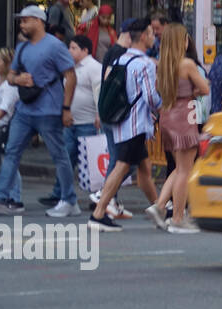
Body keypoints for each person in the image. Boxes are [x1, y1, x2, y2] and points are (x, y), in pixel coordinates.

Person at [0, 6, 79, 215]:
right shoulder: (23, 48)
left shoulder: (55, 46)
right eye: (21, 21)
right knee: (12, 152)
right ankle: (1, 197)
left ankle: (69, 200)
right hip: (25, 110)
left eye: (26, 20)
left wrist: (66, 108)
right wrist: (18, 79)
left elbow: (71, 76)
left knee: (58, 154)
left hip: (49, 110)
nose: (22, 24)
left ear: (38, 21)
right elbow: (12, 75)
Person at [89, 18, 162, 231]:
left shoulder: (121, 59)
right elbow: (150, 98)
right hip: (136, 124)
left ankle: (159, 209)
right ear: (145, 37)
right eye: (151, 33)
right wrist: (164, 104)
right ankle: (99, 213)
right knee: (121, 167)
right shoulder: (145, 64)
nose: (153, 37)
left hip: (121, 121)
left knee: (144, 168)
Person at [151, 23, 210, 233]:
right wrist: (193, 90)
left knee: (178, 168)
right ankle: (177, 218)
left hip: (167, 116)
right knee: (185, 170)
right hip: (185, 115)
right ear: (182, 42)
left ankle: (159, 205)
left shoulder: (161, 65)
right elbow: (205, 88)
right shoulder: (187, 64)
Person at [63, 34, 103, 209]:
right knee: (65, 158)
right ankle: (61, 193)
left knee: (90, 164)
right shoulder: (70, 67)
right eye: (69, 47)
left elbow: (99, 92)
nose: (69, 51)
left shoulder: (94, 67)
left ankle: (96, 197)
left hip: (88, 122)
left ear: (85, 50)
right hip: (71, 121)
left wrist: (98, 114)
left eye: (73, 48)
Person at [0, 49, 22, 206]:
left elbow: (4, 109)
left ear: (7, 64)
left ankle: (15, 196)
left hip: (3, 128)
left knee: (8, 162)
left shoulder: (10, 86)